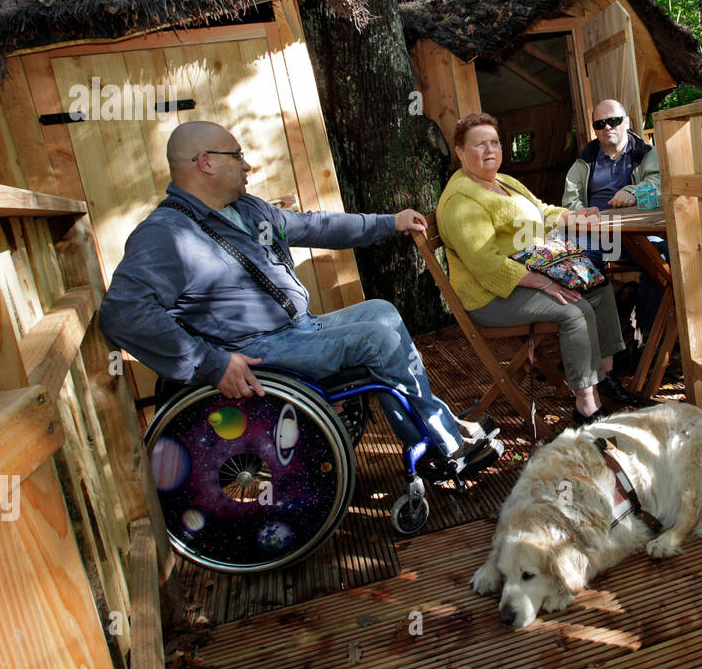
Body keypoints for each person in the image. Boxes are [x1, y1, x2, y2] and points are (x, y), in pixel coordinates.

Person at [98, 120, 487, 466]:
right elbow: (124, 313)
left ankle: (437, 423)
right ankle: (444, 448)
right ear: (205, 163)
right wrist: (212, 364)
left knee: (382, 311)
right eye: (237, 156)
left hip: (301, 328)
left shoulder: (246, 209)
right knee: (378, 338)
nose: (246, 165)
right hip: (261, 349)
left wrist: (388, 223)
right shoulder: (166, 234)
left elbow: (314, 226)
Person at [436, 112, 640, 426]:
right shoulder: (460, 202)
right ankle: (587, 407)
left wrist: (575, 216)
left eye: (495, 142)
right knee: (574, 309)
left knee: (598, 289)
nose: (490, 149)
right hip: (490, 295)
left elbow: (542, 211)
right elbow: (487, 267)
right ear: (461, 152)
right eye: (479, 145)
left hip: (532, 271)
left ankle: (605, 377)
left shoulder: (505, 182)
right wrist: (543, 284)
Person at [561, 99, 667, 340]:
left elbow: (658, 186)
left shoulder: (647, 153)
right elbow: (569, 203)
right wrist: (584, 214)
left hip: (637, 233)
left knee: (661, 262)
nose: (608, 127)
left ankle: (646, 337)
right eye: (600, 123)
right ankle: (597, 342)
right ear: (595, 129)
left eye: (614, 121)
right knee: (576, 266)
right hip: (596, 235)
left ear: (626, 122)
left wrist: (633, 192)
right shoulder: (583, 162)